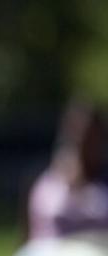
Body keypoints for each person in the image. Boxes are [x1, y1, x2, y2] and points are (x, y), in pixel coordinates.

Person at [28, 100, 108, 240]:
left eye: (91, 136)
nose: (84, 142)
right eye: (79, 134)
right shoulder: (47, 183)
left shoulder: (103, 183)